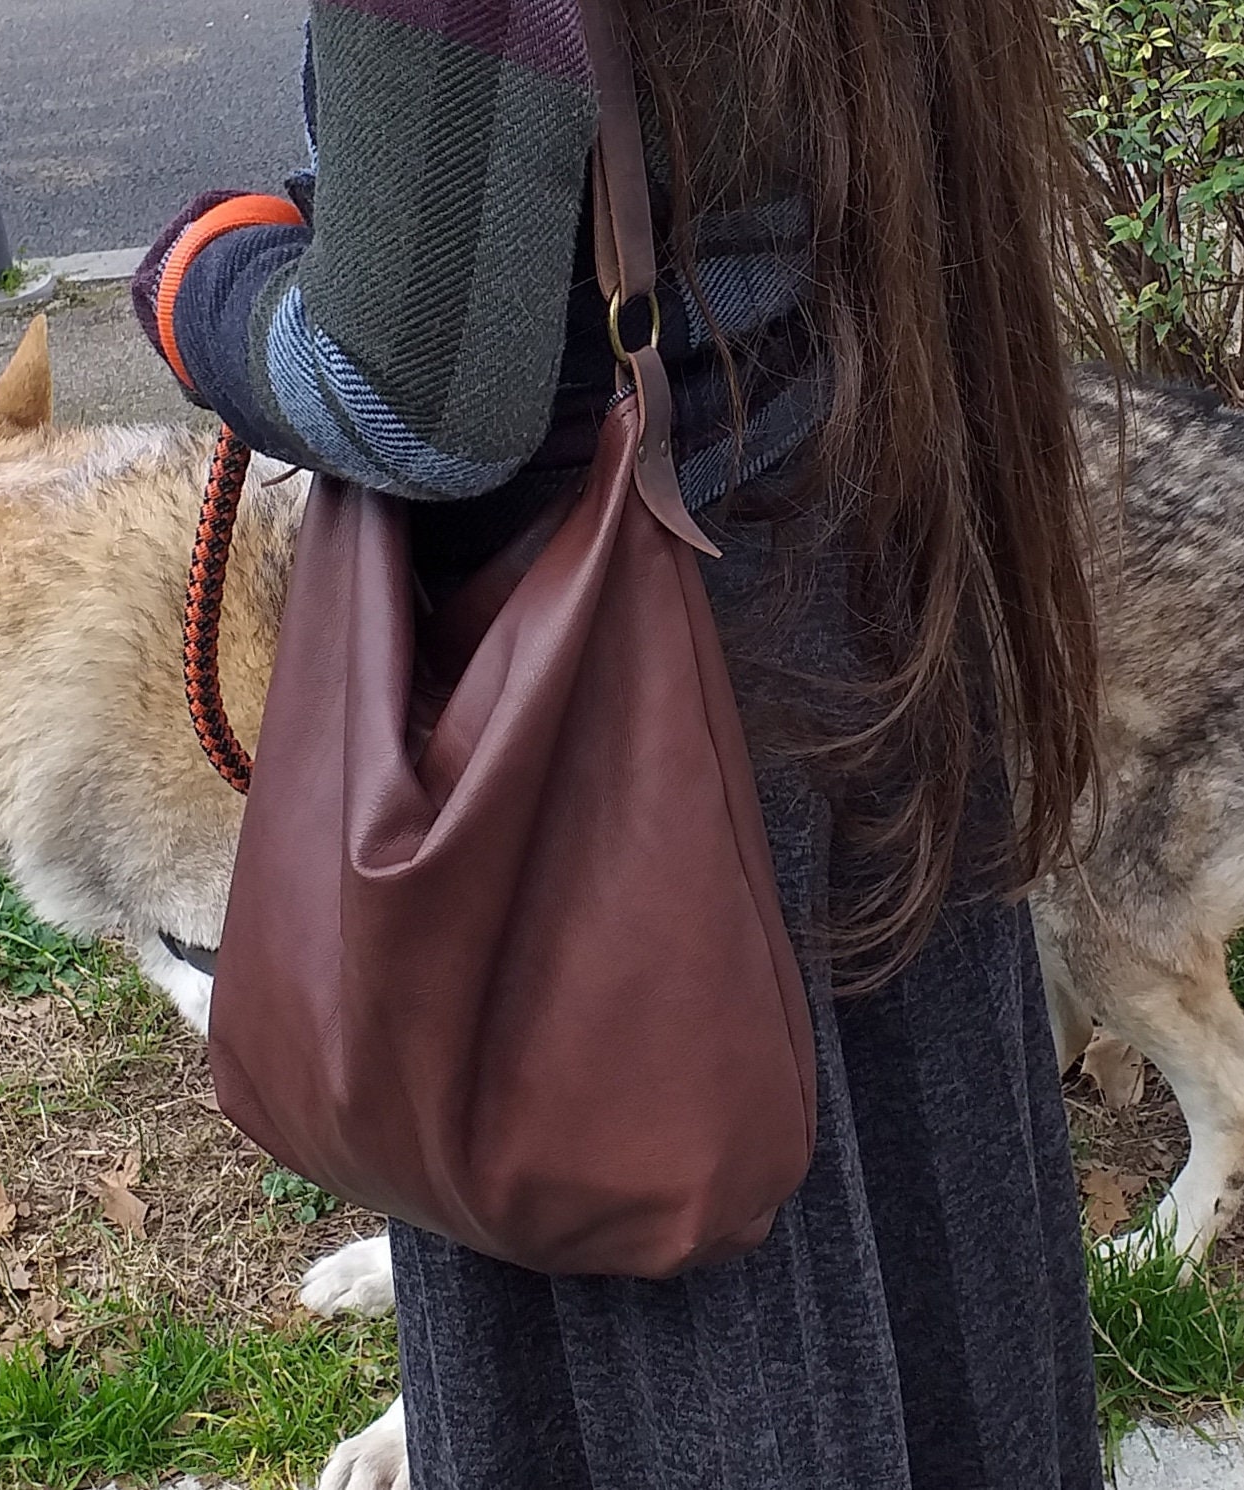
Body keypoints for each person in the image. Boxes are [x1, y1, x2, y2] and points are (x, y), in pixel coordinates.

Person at [132, 1, 1104, 1485]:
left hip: (606, 719)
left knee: (687, 1379)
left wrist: (206, 272)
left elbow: (406, 392)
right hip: (855, 581)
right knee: (929, 1287)